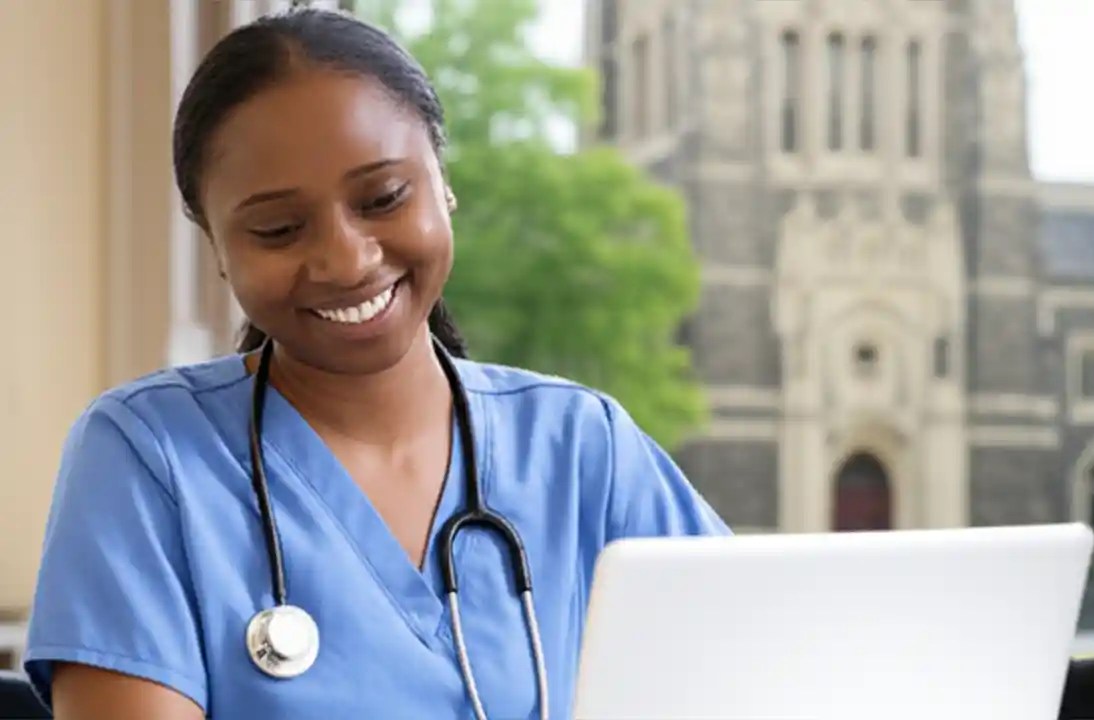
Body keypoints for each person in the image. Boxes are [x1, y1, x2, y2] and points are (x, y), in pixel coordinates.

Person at [23, 8, 728, 719]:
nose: (346, 258)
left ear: (443, 185)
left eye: (384, 198)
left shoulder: (583, 447)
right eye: (279, 229)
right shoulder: (148, 457)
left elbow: (760, 669)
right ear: (217, 248)